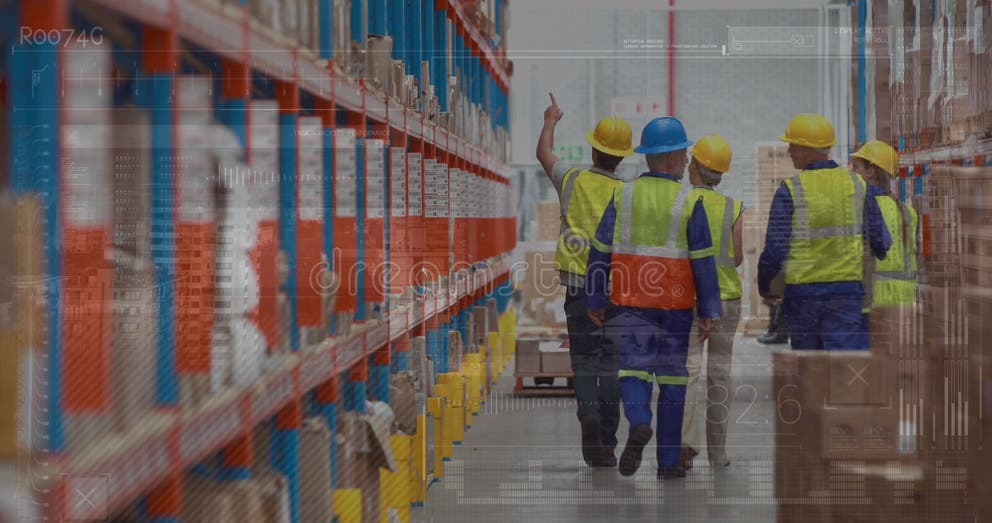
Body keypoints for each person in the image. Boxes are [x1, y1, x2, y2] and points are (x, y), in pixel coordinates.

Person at [585, 117, 722, 479]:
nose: (686, 160)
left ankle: (640, 420)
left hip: (631, 304)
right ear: (675, 156)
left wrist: (595, 300)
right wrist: (708, 310)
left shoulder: (622, 194)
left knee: (632, 370)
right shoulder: (689, 200)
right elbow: (703, 261)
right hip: (676, 310)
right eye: (684, 153)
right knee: (674, 380)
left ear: (648, 156)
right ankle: (667, 464)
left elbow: (599, 251)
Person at [536, 92, 635, 467]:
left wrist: (551, 121)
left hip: (577, 285)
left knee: (585, 360)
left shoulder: (572, 178)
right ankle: (607, 441)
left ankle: (588, 416)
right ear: (623, 156)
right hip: (615, 289)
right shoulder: (628, 194)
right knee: (611, 362)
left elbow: (544, 154)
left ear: (593, 151)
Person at [757, 114, 891, 350]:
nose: (789, 151)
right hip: (845, 293)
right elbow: (881, 240)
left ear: (807, 149)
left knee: (810, 369)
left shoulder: (790, 190)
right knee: (842, 367)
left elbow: (775, 250)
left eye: (793, 146)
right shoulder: (858, 185)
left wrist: (765, 285)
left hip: (803, 295)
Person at [679, 134, 743, 471]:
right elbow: (738, 257)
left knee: (689, 370)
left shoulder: (683, 203)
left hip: (688, 298)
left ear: (696, 167)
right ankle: (718, 454)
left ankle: (685, 448)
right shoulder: (733, 207)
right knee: (720, 373)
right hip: (727, 299)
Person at [849, 140, 920, 339]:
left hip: (872, 302)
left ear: (871, 171)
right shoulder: (908, 212)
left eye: (856, 167)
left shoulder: (861, 208)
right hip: (903, 302)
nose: (851, 171)